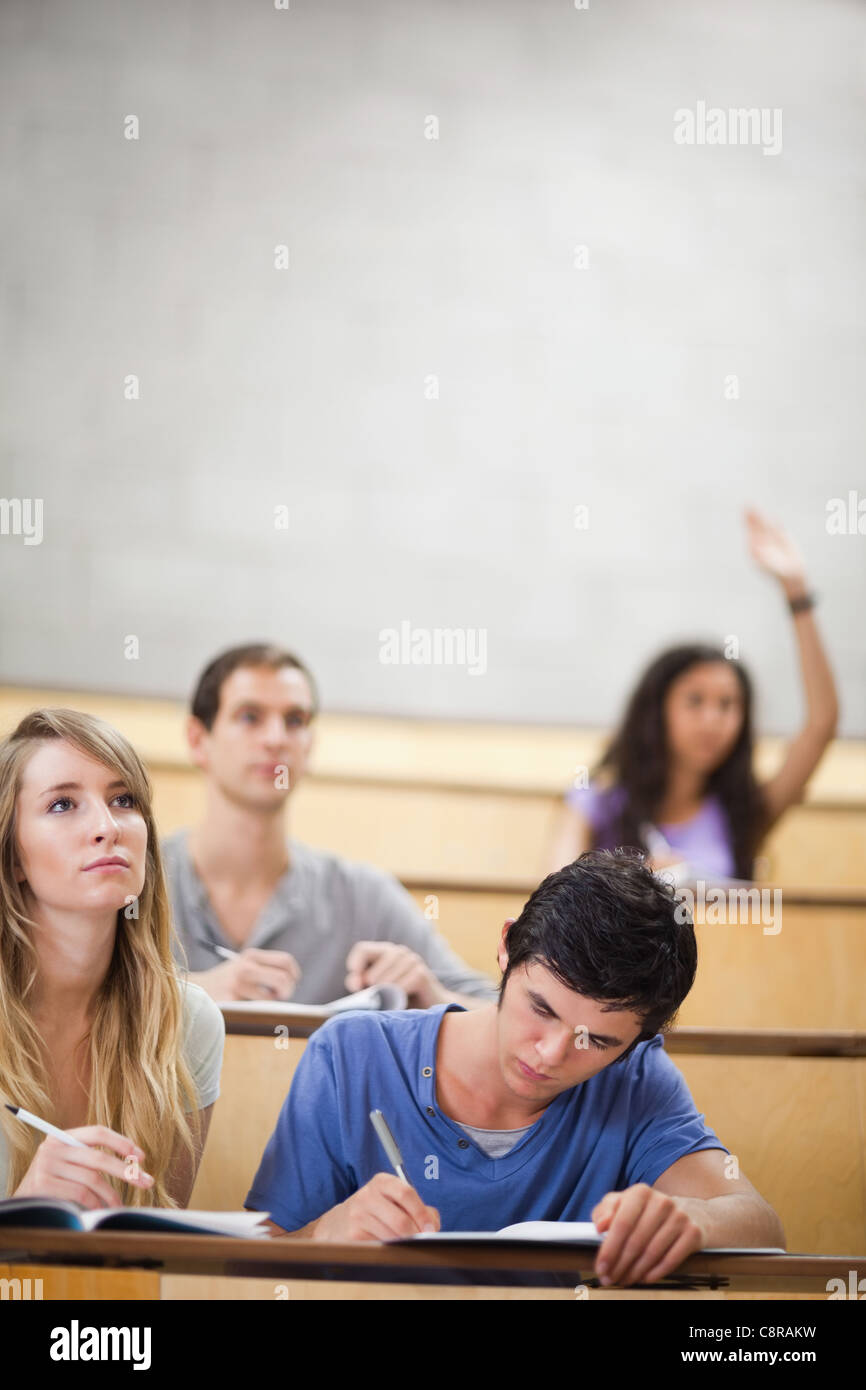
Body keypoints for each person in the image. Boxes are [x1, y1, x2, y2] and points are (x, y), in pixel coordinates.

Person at [245, 851, 785, 1286]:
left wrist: (693, 1221)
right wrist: (322, 1234)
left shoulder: (637, 1080)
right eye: (541, 1008)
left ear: (640, 1039)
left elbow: (760, 1222)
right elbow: (243, 1271)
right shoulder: (353, 1056)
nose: (550, 1054)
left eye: (596, 1040)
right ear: (506, 949)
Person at [162, 644, 497, 1006]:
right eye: (249, 717)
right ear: (198, 741)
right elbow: (91, 1001)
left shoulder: (362, 899)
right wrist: (188, 996)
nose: (276, 739)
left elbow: (500, 1018)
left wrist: (433, 997)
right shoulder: (137, 884)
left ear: (309, 747)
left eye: (294, 721)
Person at [0, 708, 224, 1208]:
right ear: (13, 857)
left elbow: (151, 1255)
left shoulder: (187, 1023)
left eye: (123, 800)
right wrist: (22, 1216)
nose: (106, 827)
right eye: (62, 805)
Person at [548, 510, 839, 881]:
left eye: (728, 705)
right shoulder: (595, 803)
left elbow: (821, 725)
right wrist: (635, 882)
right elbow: (553, 901)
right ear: (657, 710)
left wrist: (796, 591)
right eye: (694, 701)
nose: (713, 719)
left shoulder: (742, 812)